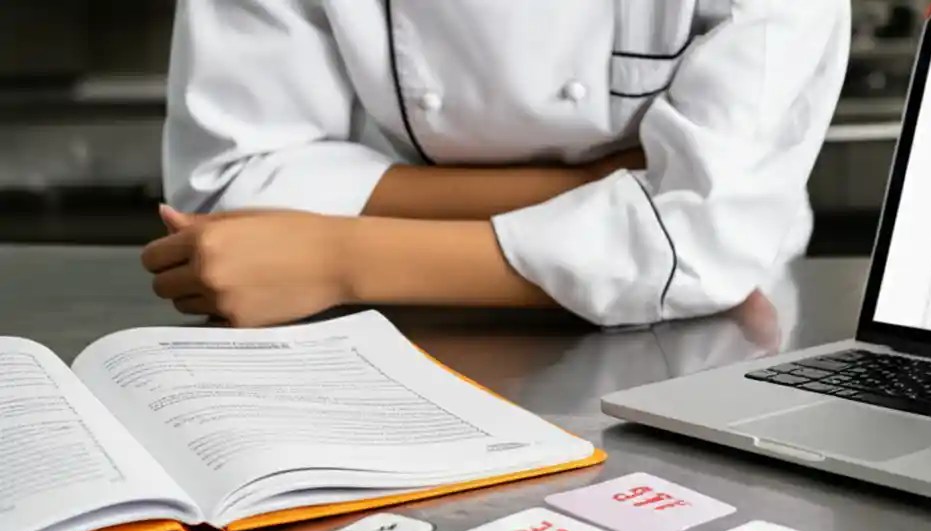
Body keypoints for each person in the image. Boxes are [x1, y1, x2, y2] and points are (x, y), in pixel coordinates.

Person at [147, 1, 851, 328]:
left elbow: (702, 241)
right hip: (389, 330)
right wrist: (604, 190)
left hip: (703, 332)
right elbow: (239, 182)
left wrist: (339, 256)